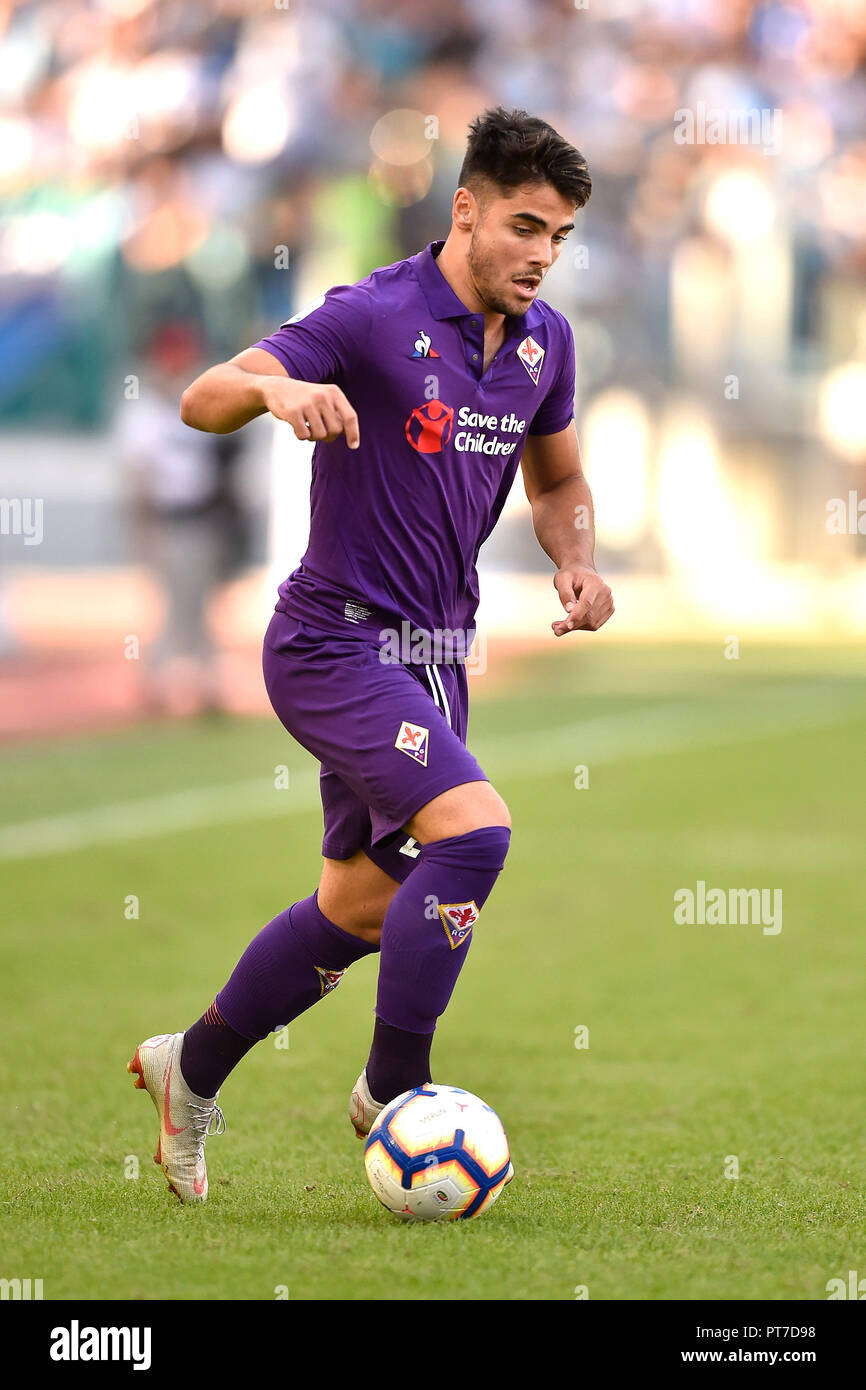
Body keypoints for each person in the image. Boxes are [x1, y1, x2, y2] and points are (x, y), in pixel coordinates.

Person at [127, 107, 614, 1202]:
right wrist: (272, 388)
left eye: (561, 237)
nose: (541, 254)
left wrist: (575, 560)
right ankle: (395, 1087)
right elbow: (208, 393)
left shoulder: (546, 344)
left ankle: (187, 1069)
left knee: (354, 911)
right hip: (330, 643)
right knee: (476, 835)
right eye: (525, 225)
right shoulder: (373, 313)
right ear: (465, 209)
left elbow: (559, 482)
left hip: (436, 656)